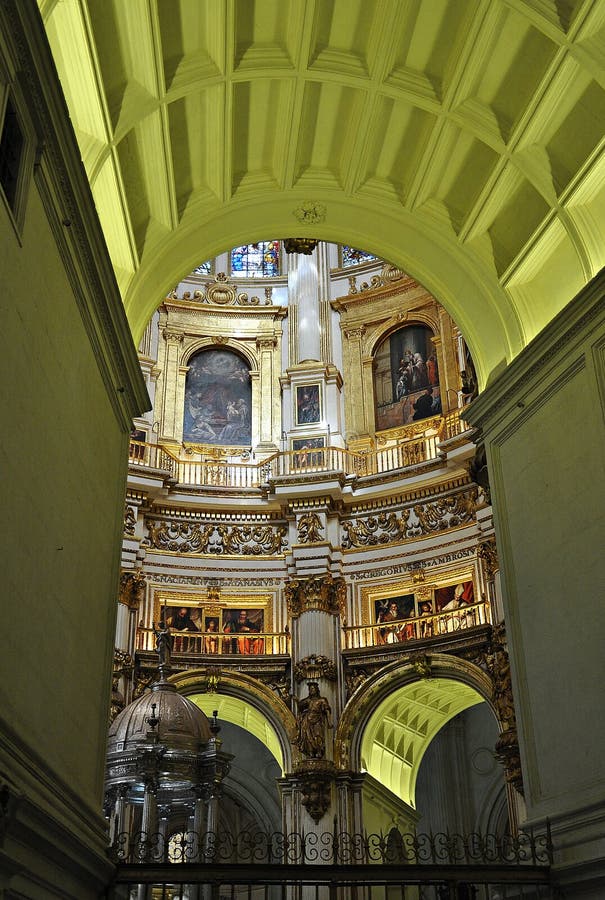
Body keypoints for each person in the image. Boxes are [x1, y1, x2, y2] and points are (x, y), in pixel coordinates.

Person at [296, 683, 332, 759]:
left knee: (318, 736)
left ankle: (319, 751)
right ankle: (311, 752)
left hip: (318, 720)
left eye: (312, 689)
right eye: (310, 689)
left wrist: (329, 722)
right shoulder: (308, 700)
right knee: (308, 737)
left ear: (316, 690)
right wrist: (297, 701)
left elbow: (327, 710)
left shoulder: (322, 700)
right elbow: (300, 706)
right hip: (308, 720)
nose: (311, 690)